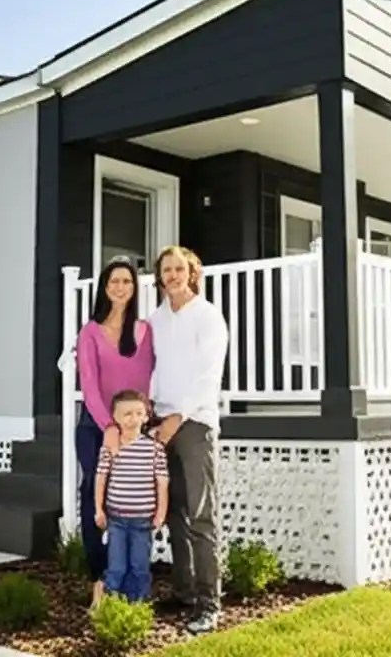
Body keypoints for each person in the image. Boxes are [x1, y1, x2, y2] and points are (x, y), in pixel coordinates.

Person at [146, 245, 229, 635]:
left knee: (200, 515)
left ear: (192, 273)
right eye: (167, 269)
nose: (173, 275)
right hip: (161, 422)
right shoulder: (155, 320)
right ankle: (183, 592)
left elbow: (208, 376)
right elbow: (153, 370)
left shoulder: (208, 317)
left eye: (180, 269)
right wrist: (150, 413)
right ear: (160, 276)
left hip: (194, 423)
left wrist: (177, 417)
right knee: (174, 512)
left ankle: (209, 604)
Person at [75, 256, 155, 608]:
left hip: (135, 429)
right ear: (104, 288)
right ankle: (99, 584)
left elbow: (150, 380)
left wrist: (139, 423)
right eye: (113, 282)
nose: (120, 287)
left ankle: (128, 585)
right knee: (96, 497)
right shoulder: (90, 331)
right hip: (96, 427)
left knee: (132, 502)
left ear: (134, 288)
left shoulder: (144, 331)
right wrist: (108, 426)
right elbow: (89, 385)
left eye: (126, 281)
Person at [94, 389, 169, 603]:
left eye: (138, 413)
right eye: (126, 414)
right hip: (116, 518)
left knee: (140, 566)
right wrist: (99, 509)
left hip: (143, 520)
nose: (133, 419)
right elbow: (101, 477)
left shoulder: (154, 449)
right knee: (116, 566)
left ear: (146, 416)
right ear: (115, 418)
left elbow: (162, 483)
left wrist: (160, 514)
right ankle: (111, 606)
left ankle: (138, 607)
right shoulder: (111, 448)